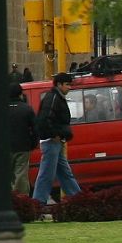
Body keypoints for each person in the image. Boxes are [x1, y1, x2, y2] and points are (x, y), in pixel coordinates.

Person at [32, 72, 82, 204]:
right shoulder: (53, 99)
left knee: (64, 173)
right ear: (59, 84)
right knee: (47, 174)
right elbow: (44, 120)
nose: (69, 87)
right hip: (51, 142)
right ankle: (38, 202)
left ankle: (78, 199)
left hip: (55, 141)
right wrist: (53, 134)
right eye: (67, 84)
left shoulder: (55, 98)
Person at [8, 85, 39, 196]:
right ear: (20, 94)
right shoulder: (26, 109)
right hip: (23, 147)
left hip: (5, 148)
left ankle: (10, 197)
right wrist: (33, 143)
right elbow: (35, 129)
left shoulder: (0, 110)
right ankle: (21, 198)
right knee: (20, 173)